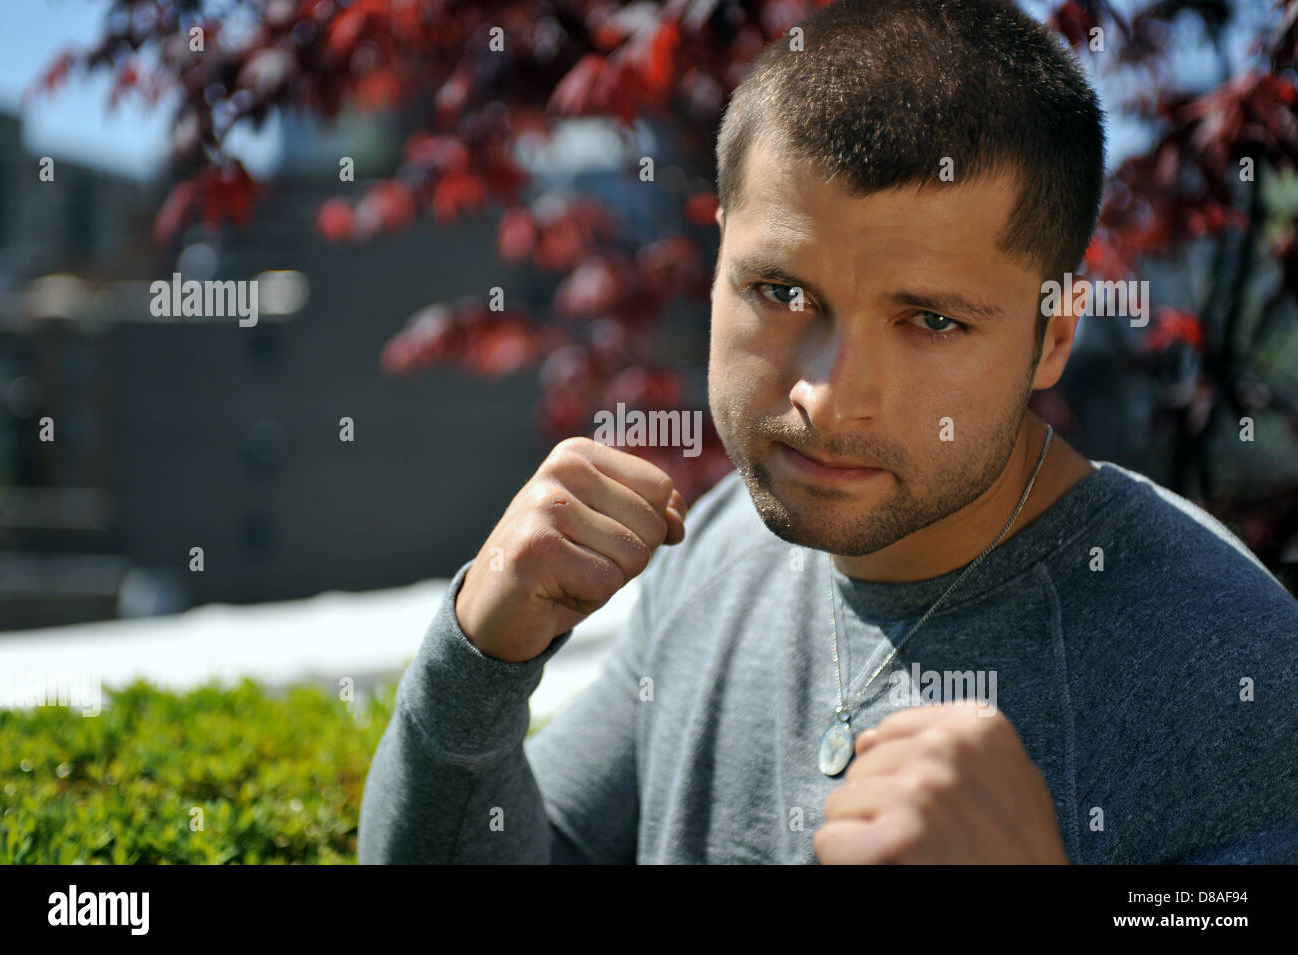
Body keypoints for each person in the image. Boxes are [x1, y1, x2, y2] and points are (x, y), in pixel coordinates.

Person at [358, 0, 1298, 864]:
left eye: (932, 319)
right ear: (717, 250)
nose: (825, 398)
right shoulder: (717, 547)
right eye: (781, 292)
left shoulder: (1235, 661)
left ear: (1052, 335)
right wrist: (479, 660)